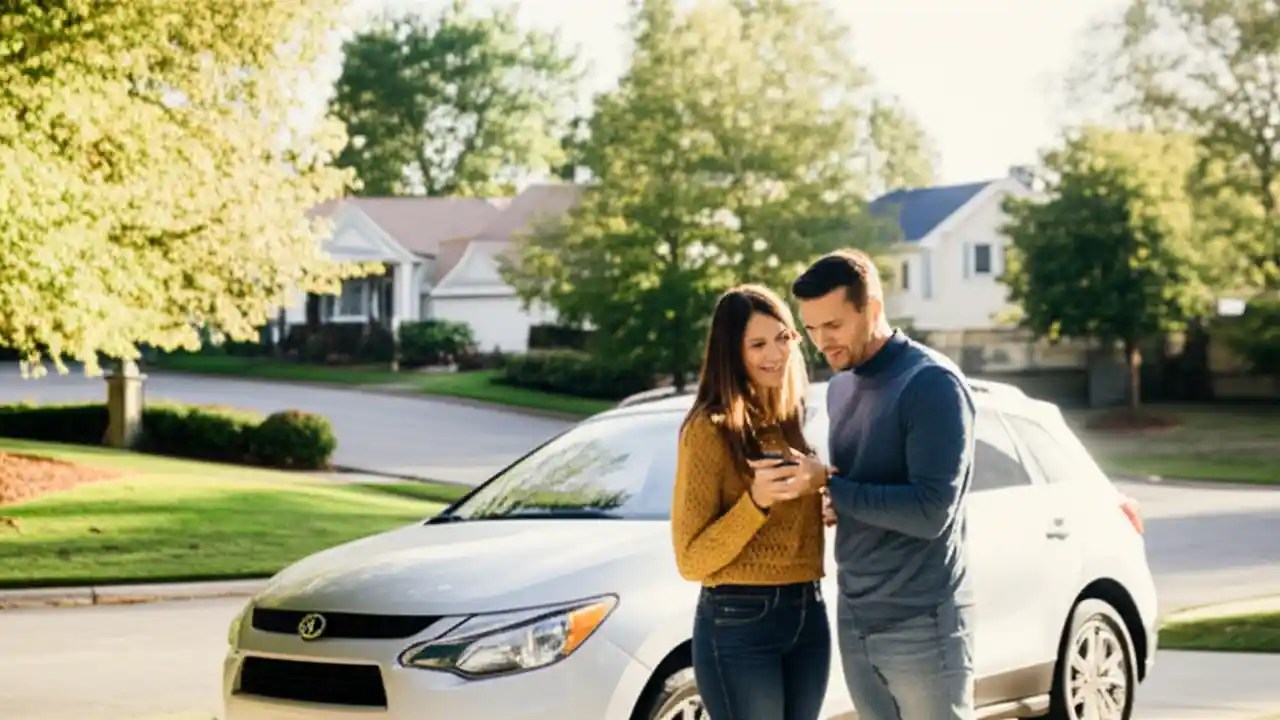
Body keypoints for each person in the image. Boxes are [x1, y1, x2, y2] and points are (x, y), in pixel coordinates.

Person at [792, 249, 978, 720]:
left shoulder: (931, 385)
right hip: (855, 613)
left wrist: (835, 490)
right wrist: (836, 500)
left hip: (922, 621)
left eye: (832, 326)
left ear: (872, 309)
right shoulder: (840, 387)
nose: (821, 342)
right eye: (811, 329)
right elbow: (861, 487)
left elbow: (931, 511)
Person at [670, 283, 833, 720]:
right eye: (758, 344)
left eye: (783, 338)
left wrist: (824, 499)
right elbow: (691, 560)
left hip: (808, 610)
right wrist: (755, 503)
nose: (775, 354)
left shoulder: (792, 420)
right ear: (732, 352)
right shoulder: (707, 429)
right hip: (739, 621)